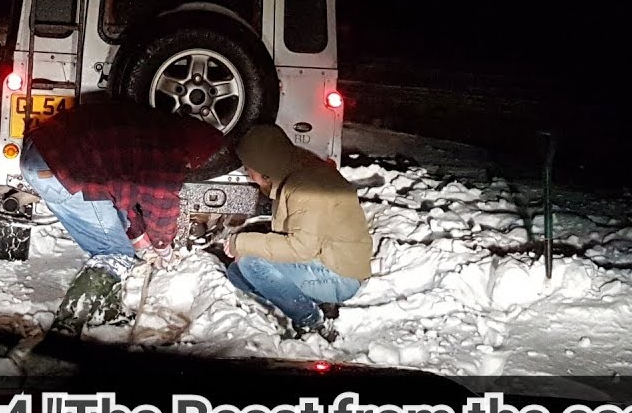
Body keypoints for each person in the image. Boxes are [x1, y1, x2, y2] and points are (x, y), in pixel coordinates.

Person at [18, 100, 226, 336]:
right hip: (61, 169)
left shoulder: (152, 129)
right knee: (113, 252)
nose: (189, 165)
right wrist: (163, 248)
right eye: (192, 162)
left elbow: (123, 192)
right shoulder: (168, 151)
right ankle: (65, 328)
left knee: (111, 247)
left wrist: (138, 236)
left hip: (39, 154)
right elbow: (162, 205)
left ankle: (108, 312)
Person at [222, 124, 373, 341]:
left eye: (249, 168)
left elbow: (301, 248)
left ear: (264, 167)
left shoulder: (305, 188)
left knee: (250, 264)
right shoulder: (293, 171)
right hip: (324, 258)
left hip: (342, 274)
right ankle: (319, 301)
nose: (247, 174)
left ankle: (310, 321)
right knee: (238, 274)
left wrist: (243, 243)